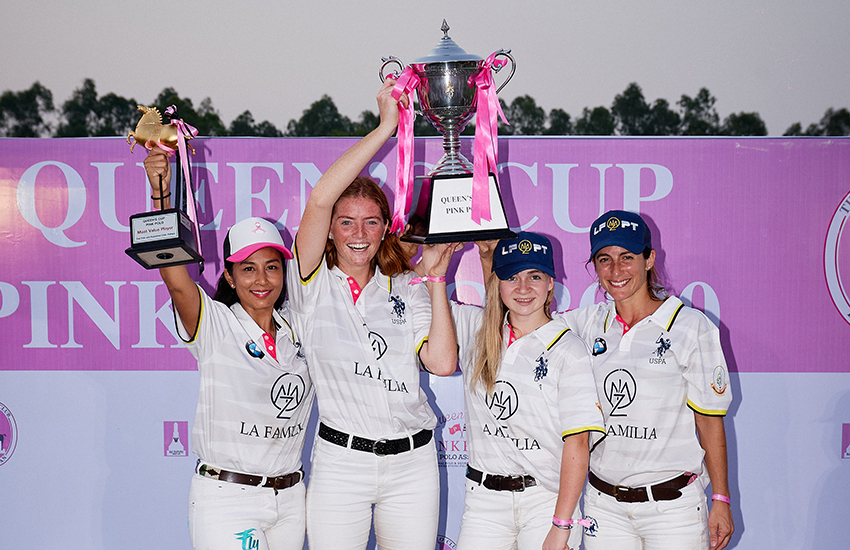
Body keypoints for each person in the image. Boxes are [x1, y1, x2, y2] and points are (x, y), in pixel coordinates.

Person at [286, 78, 458, 550]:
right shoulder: (310, 282)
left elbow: (442, 364)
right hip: (341, 465)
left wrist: (437, 279)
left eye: (370, 221)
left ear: (386, 229)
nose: (358, 233)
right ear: (330, 232)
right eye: (346, 222)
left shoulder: (405, 285)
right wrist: (387, 128)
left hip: (413, 465)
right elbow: (319, 198)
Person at [143, 149, 314, 550]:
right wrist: (160, 195)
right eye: (248, 268)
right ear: (230, 277)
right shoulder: (215, 323)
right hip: (227, 500)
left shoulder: (300, 327)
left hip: (291, 500)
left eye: (272, 266)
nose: (262, 279)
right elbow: (176, 281)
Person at [559, 210, 734, 550]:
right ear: (593, 266)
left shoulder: (690, 327)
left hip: (672, 509)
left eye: (627, 257)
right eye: (604, 259)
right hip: (603, 506)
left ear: (649, 259)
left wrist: (721, 498)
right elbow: (526, 319)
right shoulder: (584, 324)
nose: (615, 271)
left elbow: (709, 420)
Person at [446, 232, 605, 550]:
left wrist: (561, 525)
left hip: (545, 503)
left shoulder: (568, 347)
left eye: (535, 276)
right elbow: (415, 298)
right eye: (512, 277)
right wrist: (438, 253)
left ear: (550, 283)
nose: (523, 288)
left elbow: (577, 444)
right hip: (483, 505)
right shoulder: (474, 328)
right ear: (497, 283)